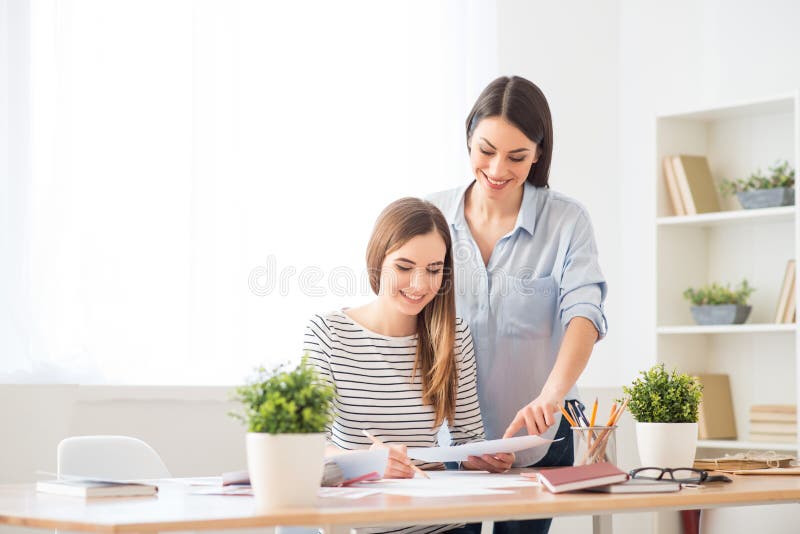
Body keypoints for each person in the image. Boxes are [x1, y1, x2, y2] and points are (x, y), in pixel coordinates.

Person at [428, 76, 608, 534]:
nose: (496, 169)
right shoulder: (431, 217)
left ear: (539, 153)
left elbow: (584, 314)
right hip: (452, 440)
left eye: (516, 157)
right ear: (468, 135)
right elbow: (407, 319)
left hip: (541, 433)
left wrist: (550, 398)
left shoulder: (567, 220)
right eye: (485, 150)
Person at [303, 197, 513, 534]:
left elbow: (467, 439)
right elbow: (307, 448)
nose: (420, 285)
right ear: (377, 261)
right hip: (363, 527)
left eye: (433, 270)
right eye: (404, 267)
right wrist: (367, 462)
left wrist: (481, 458)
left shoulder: (453, 335)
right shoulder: (328, 333)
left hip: (444, 525)